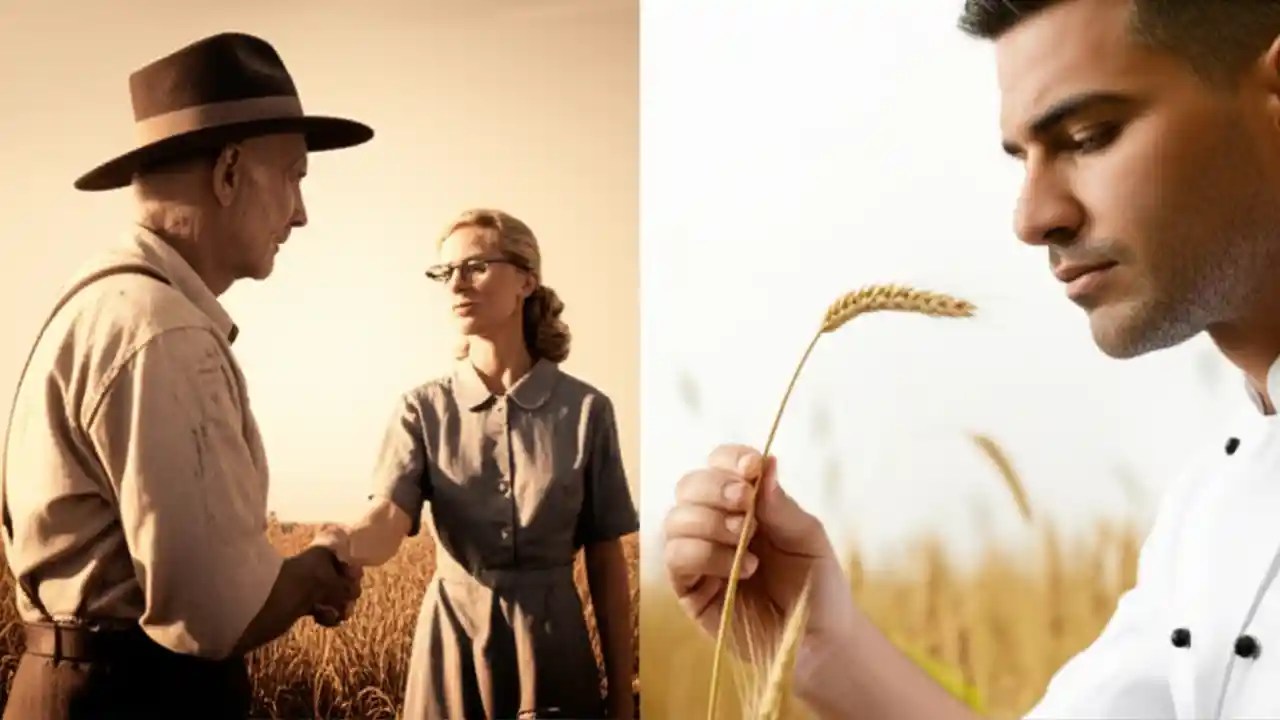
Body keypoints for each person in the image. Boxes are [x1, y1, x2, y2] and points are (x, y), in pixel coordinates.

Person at [662, 1, 1280, 718]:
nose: (1032, 217)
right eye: (1023, 158)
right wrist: (821, 650)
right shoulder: (1204, 512)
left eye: (1090, 136)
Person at [0, 32, 373, 719]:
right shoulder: (165, 333)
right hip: (131, 700)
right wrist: (311, 572)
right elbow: (213, 614)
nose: (300, 212)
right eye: (292, 175)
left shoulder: (94, 306)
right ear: (229, 172)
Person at [314, 209, 639, 719]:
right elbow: (387, 520)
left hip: (554, 650)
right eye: (446, 273)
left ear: (527, 281)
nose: (456, 285)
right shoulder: (421, 408)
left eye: (475, 267)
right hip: (452, 645)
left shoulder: (586, 412)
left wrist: (621, 694)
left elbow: (605, 558)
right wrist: (340, 545)